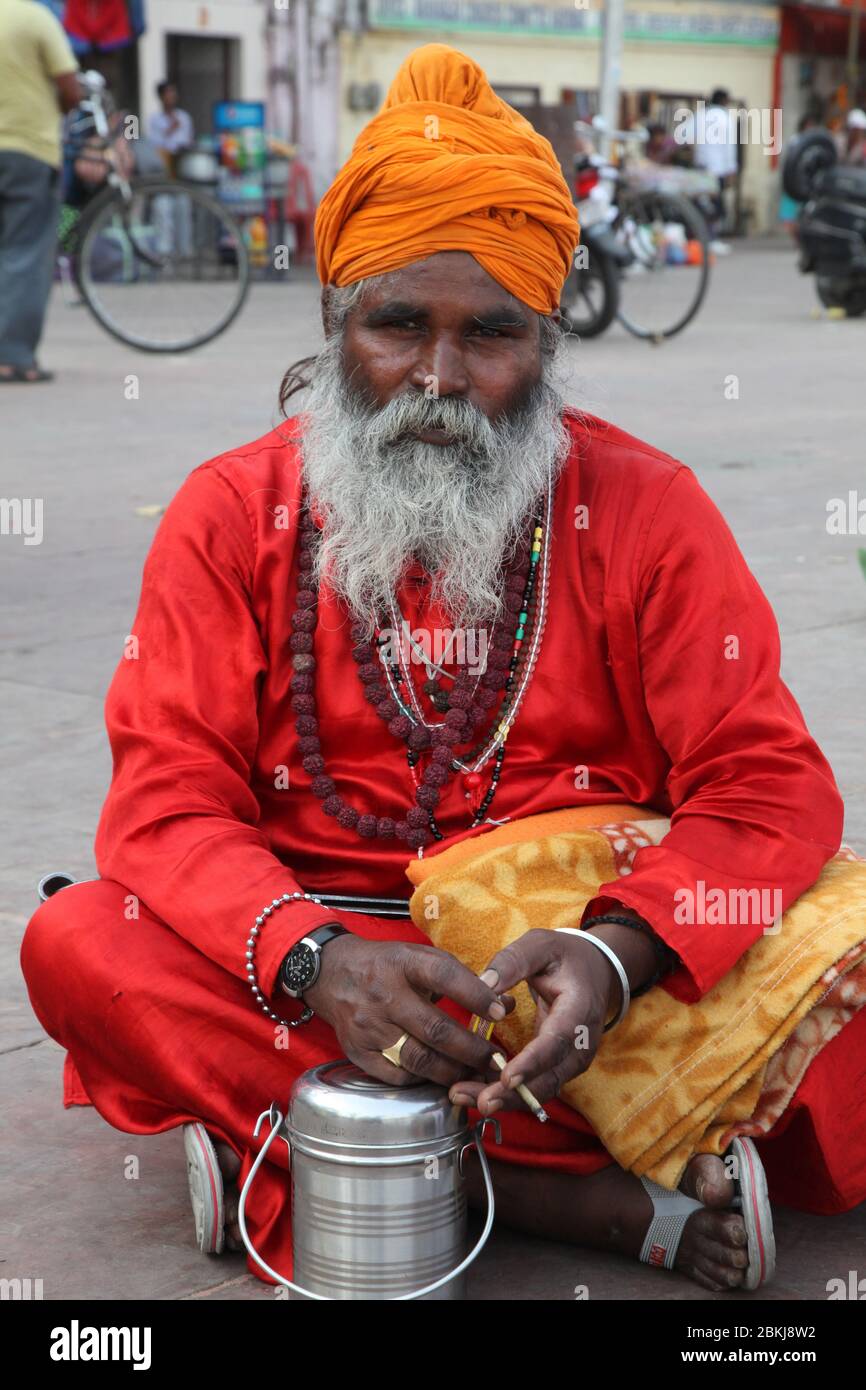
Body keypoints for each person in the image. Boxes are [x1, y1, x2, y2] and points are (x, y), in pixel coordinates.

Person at [21, 44, 866, 1297]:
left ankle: (308, 1149)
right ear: (334, 320)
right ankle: (537, 1189)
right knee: (81, 938)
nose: (438, 380)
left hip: (582, 976)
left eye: (491, 337)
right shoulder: (226, 513)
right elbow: (165, 807)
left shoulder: (643, 508)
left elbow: (766, 785)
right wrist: (316, 959)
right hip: (316, 959)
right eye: (397, 324)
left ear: (549, 338)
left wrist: (618, 956)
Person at [0, 0, 80, 384]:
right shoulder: (35, 18)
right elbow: (69, 85)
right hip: (27, 149)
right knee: (25, 252)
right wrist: (63, 103)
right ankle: (13, 357)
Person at [689, 87, 739, 247]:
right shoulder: (725, 118)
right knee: (715, 205)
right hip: (718, 169)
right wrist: (731, 169)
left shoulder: (700, 115)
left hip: (700, 166)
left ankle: (701, 236)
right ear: (724, 101)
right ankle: (711, 238)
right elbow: (729, 146)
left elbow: (686, 135)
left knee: (701, 203)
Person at [147, 79, 193, 174]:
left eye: (173, 92)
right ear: (161, 96)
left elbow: (189, 140)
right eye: (168, 92)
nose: (172, 95)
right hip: (165, 163)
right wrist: (171, 129)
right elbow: (155, 145)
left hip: (183, 161)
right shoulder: (155, 119)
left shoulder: (184, 117)